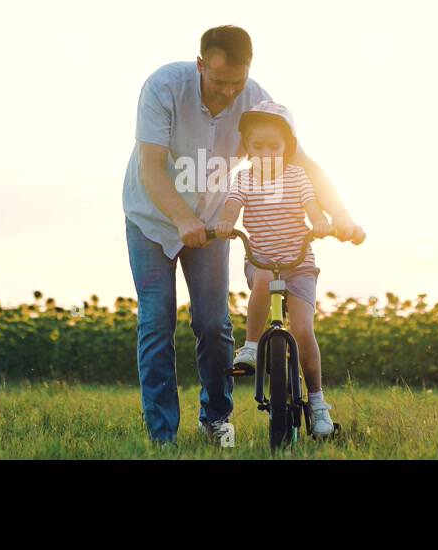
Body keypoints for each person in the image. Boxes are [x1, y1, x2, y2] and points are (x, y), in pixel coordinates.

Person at [122, 25, 364, 445]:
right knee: (157, 320)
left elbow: (302, 164)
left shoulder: (254, 101)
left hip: (213, 220)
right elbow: (150, 167)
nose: (228, 93)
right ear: (200, 66)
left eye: (237, 83)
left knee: (214, 324)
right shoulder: (163, 87)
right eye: (218, 83)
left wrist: (339, 213)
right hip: (152, 219)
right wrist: (182, 219)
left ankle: (216, 418)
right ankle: (162, 434)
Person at [213, 101, 345, 437]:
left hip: (299, 264)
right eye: (258, 147)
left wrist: (319, 221)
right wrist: (226, 222)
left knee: (302, 330)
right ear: (248, 149)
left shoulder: (297, 176)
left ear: (288, 148)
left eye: (275, 146)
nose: (267, 153)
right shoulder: (243, 179)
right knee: (261, 281)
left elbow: (311, 205)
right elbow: (231, 206)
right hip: (262, 261)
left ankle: (317, 403)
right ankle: (253, 347)